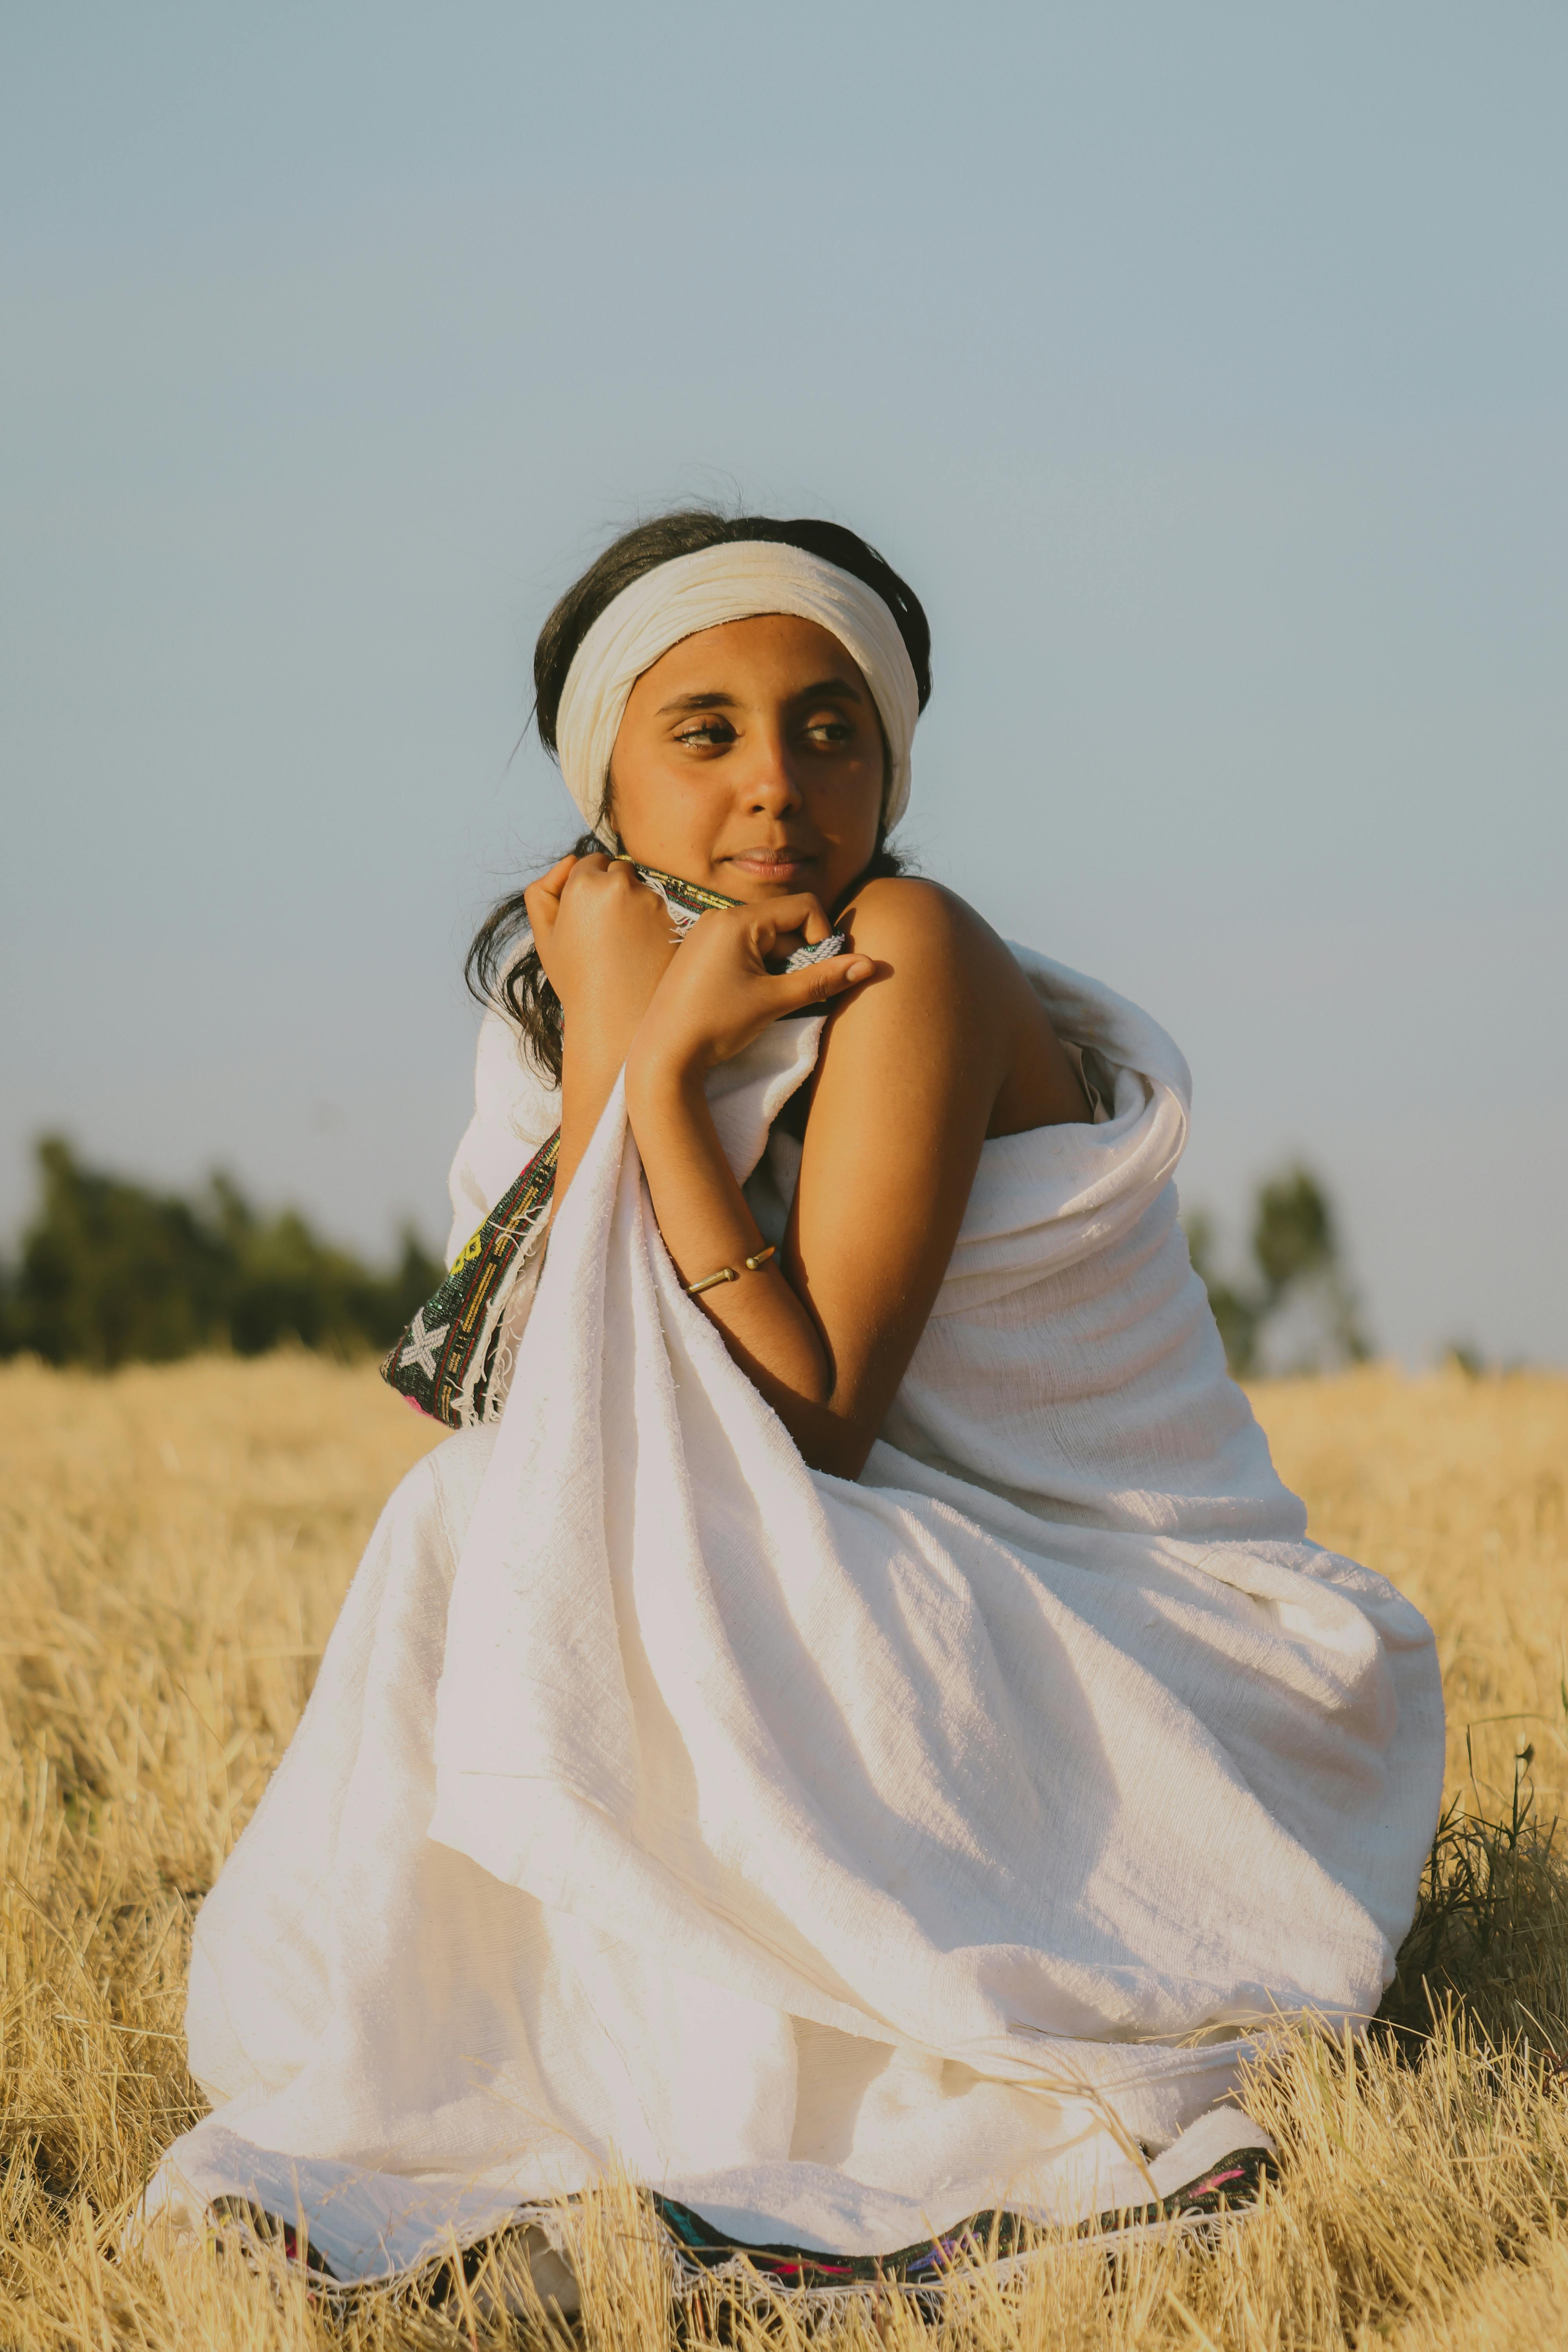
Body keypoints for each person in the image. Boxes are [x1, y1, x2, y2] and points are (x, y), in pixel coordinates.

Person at [142, 512, 1445, 2298]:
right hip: (895, 1592)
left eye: (831, 728)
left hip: (1140, 1655)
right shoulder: (578, 979)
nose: (778, 783)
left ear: (892, 762)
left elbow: (814, 1413)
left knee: (599, 1535)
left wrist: (656, 1077)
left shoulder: (906, 944)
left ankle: (834, 2115)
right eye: (708, 732)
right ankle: (568, 2092)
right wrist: (614, 1037)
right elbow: (531, 1404)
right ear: (604, 774)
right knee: (480, 1515)